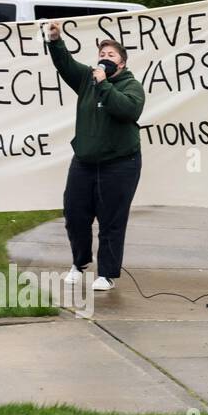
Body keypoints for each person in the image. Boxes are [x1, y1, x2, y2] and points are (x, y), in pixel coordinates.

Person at [45, 22, 146, 292]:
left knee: (111, 219)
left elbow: (127, 111)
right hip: (85, 161)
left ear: (122, 63)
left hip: (121, 164)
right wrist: (55, 40)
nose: (105, 57)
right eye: (102, 53)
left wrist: (104, 85)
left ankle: (107, 274)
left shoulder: (131, 86)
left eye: (111, 55)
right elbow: (65, 64)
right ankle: (79, 264)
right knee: (75, 214)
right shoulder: (87, 79)